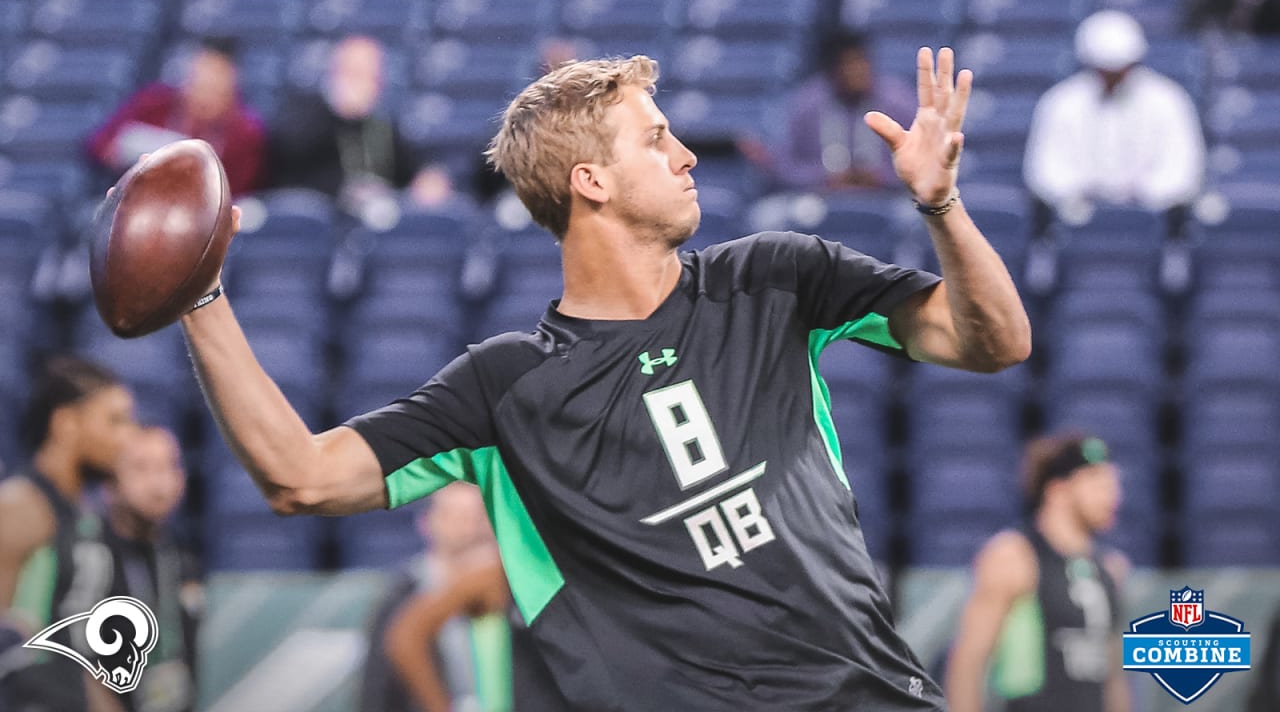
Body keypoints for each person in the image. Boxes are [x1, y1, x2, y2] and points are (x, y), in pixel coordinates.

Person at [171, 47, 1030, 709]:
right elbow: (300, 476)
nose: (687, 155)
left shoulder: (775, 276)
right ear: (591, 182)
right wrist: (200, 297)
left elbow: (994, 341)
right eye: (656, 139)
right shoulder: (505, 389)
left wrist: (941, 205)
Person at [945, 434, 1130, 712]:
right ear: (1057, 490)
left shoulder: (1110, 567)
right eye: (1097, 481)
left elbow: (1112, 676)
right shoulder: (1013, 555)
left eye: (1112, 483)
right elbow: (967, 663)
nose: (1112, 494)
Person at [0, 357, 136, 712]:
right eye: (115, 421)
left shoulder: (84, 516)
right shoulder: (18, 508)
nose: (128, 437)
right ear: (65, 423)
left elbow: (70, 651)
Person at [1023, 10, 1205, 217]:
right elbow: (1044, 171)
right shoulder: (1060, 101)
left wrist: (1140, 193)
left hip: (1152, 218)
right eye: (1104, 70)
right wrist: (1085, 190)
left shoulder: (1168, 99)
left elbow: (1183, 170)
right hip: (1077, 218)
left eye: (1120, 69)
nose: (1113, 77)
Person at [365, 483, 515, 712]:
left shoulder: (514, 586)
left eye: (480, 517)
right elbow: (381, 681)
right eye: (455, 517)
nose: (469, 530)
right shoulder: (402, 594)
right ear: (427, 522)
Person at [267, 35, 453, 215]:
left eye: (373, 76)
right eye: (355, 73)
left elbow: (409, 168)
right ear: (335, 72)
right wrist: (342, 111)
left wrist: (426, 178)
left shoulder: (380, 124)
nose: (365, 83)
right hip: (319, 220)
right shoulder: (305, 111)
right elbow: (290, 154)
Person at [86, 37, 265, 197]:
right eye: (199, 86)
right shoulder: (152, 103)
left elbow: (236, 194)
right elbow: (99, 145)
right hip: (134, 198)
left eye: (215, 90)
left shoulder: (245, 133)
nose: (204, 99)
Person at [744, 31, 915, 192]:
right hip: (818, 197)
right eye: (848, 64)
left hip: (890, 197)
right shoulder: (805, 105)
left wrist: (882, 177)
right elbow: (784, 167)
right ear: (832, 71)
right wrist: (824, 176)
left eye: (860, 62)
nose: (856, 71)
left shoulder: (899, 101)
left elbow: (920, 162)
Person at [102, 426, 198, 712]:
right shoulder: (91, 557)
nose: (159, 484)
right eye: (141, 468)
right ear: (110, 482)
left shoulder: (184, 554)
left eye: (169, 466)